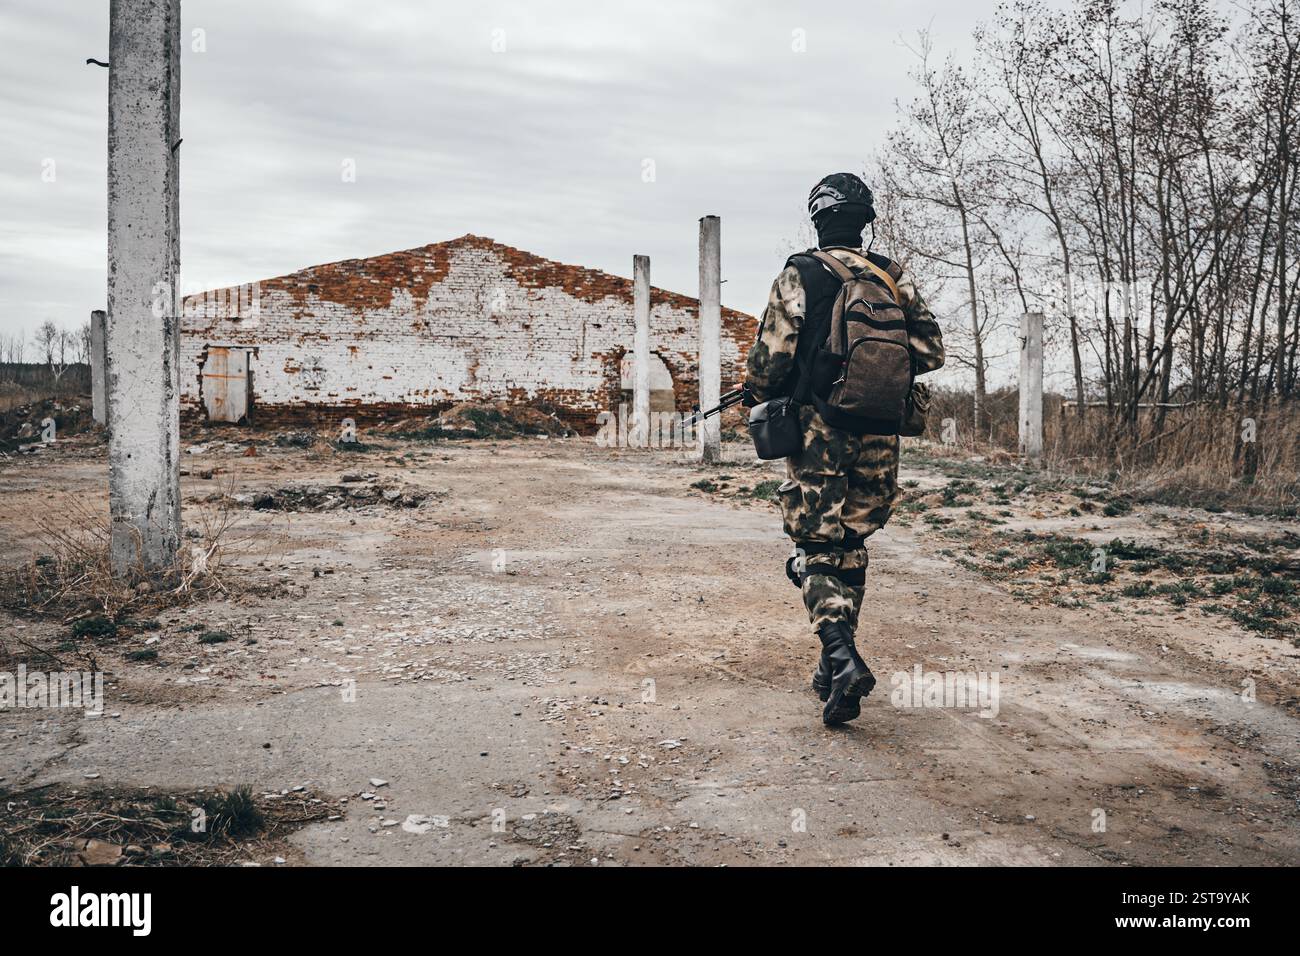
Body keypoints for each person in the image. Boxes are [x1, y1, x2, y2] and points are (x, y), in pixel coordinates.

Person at [744, 172, 945, 726]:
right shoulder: (891, 277)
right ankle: (832, 672)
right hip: (881, 430)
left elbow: (771, 360)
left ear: (817, 217)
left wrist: (763, 392)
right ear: (865, 220)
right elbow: (929, 352)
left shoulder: (800, 272)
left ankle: (841, 652)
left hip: (818, 432)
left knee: (813, 547)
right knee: (852, 544)